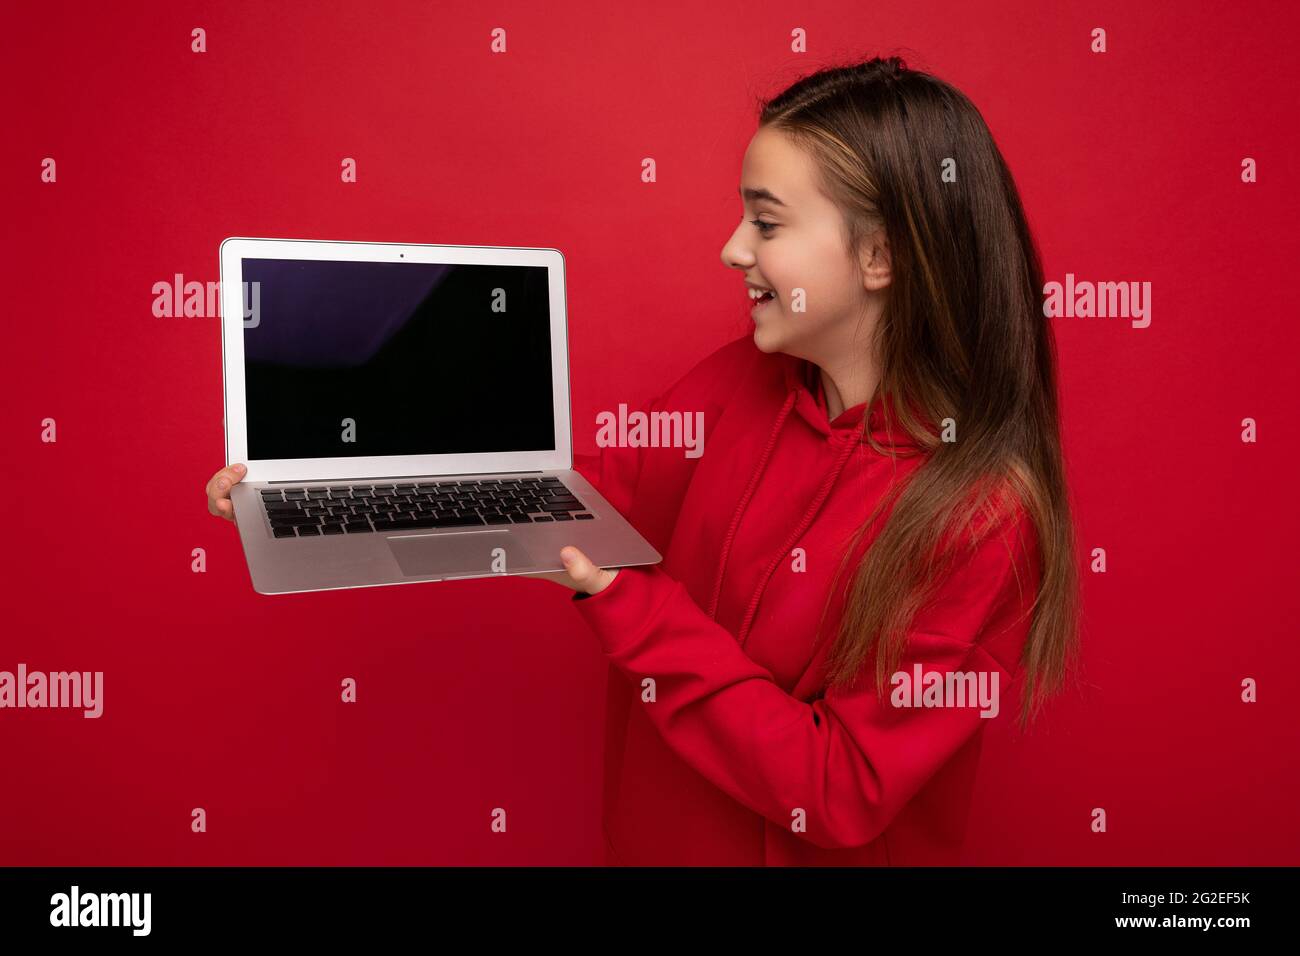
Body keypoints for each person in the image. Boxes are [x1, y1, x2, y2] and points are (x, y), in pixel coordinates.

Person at [206, 56, 1080, 866]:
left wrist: (624, 600)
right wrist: (325, 473)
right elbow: (595, 488)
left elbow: (841, 791)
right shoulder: (745, 377)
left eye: (766, 222)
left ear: (882, 255)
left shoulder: (983, 515)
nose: (733, 249)